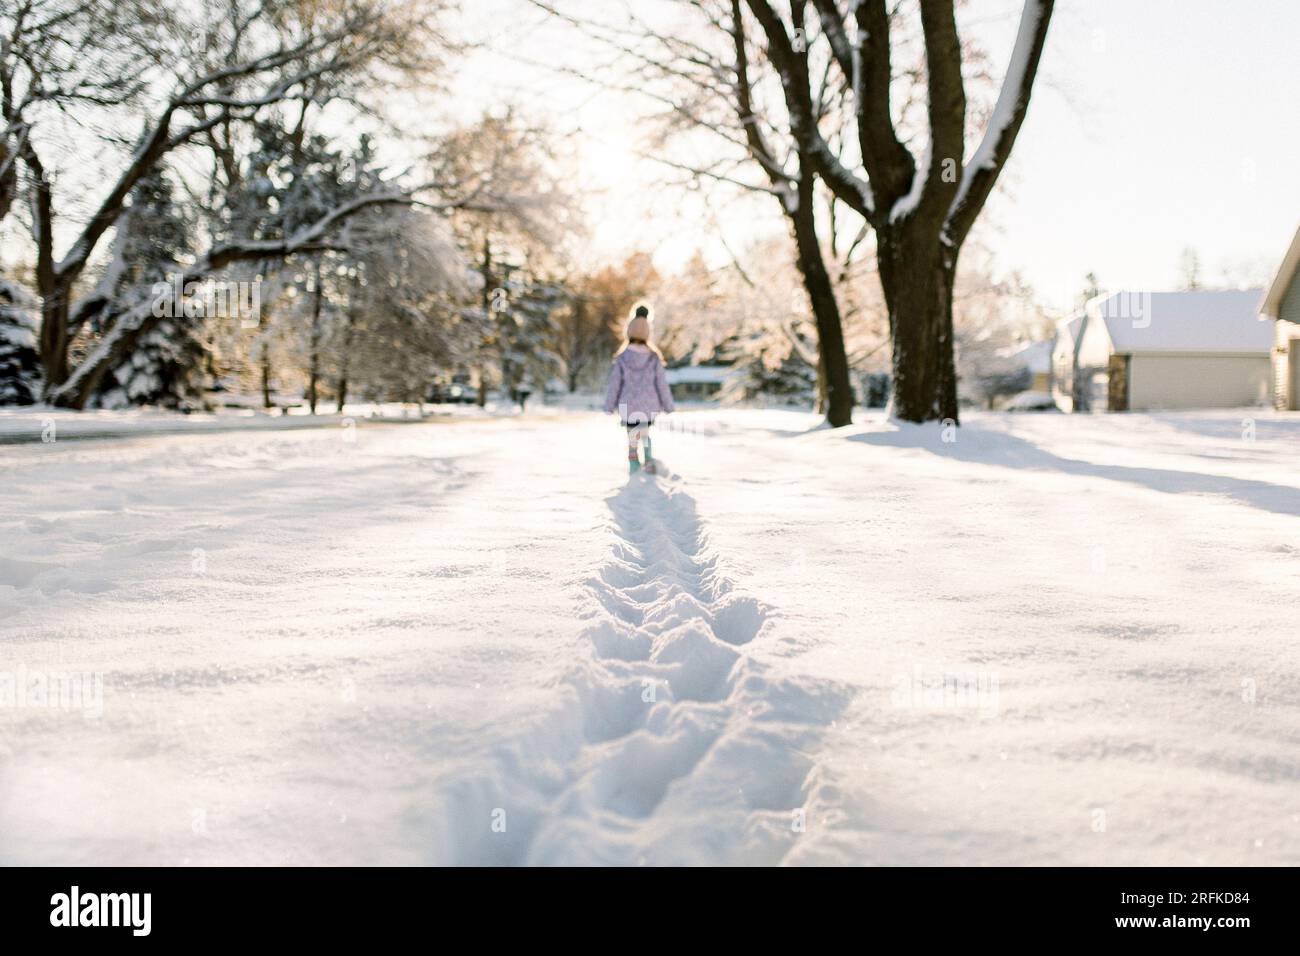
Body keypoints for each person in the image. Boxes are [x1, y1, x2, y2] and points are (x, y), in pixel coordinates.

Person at [603, 303, 674, 474]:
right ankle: (648, 460)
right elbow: (661, 384)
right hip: (649, 405)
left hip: (628, 405)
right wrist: (668, 405)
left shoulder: (622, 358)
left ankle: (634, 465)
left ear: (629, 332)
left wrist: (609, 405)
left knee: (632, 436)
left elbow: (615, 384)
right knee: (644, 433)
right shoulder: (653, 357)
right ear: (647, 333)